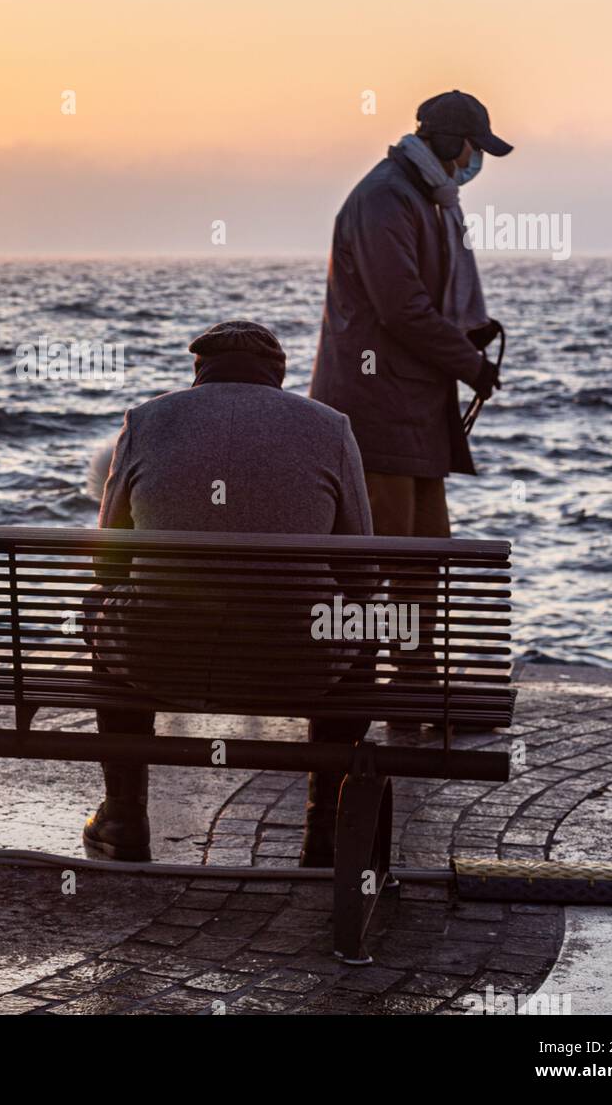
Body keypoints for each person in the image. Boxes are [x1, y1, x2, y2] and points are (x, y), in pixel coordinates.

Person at [84, 320, 373, 866]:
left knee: (104, 610)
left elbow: (108, 563)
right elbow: (360, 572)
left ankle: (123, 816)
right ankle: (327, 826)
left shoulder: (145, 421)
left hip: (160, 661)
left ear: (199, 370)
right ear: (279, 375)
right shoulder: (331, 427)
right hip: (295, 662)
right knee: (359, 621)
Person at [309, 90, 513, 731]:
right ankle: (361, 692)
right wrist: (470, 362)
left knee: (424, 558)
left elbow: (417, 303)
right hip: (377, 410)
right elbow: (400, 309)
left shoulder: (420, 196)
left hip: (415, 408)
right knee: (381, 566)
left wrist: (464, 340)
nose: (475, 163)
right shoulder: (385, 198)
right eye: (475, 149)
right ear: (452, 144)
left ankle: (418, 688)